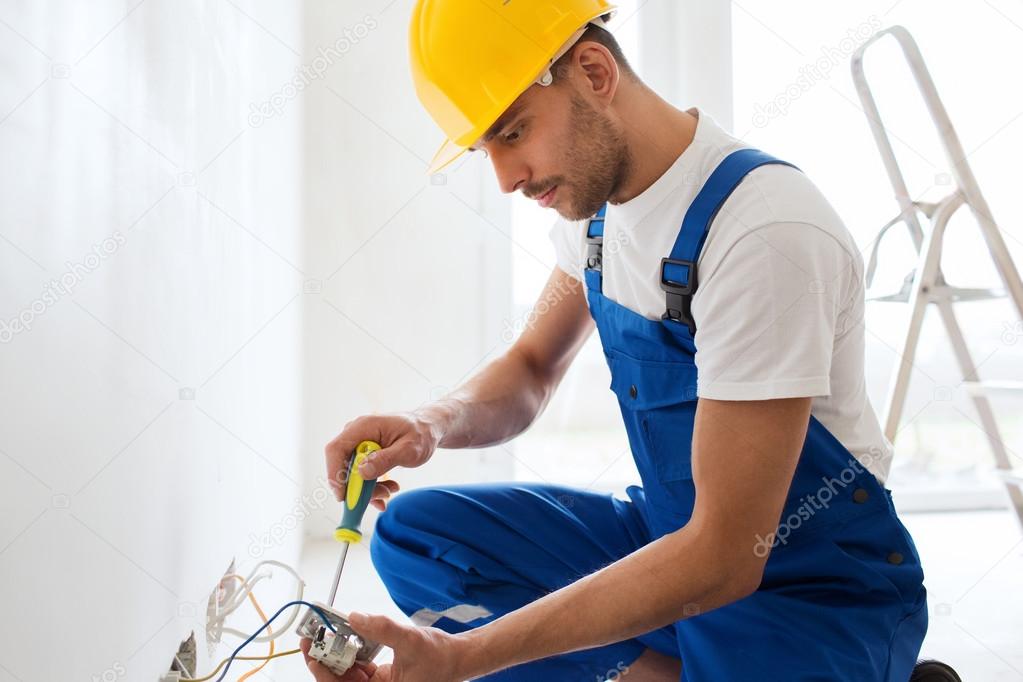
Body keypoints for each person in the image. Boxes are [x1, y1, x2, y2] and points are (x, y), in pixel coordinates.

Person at [303, 1, 938, 680]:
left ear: (594, 71)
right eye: (485, 149)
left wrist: (466, 658)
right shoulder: (597, 218)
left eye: (513, 131)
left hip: (803, 586)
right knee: (418, 537)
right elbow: (529, 366)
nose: (505, 178)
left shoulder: (761, 232)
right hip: (673, 538)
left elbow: (725, 555)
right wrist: (430, 424)